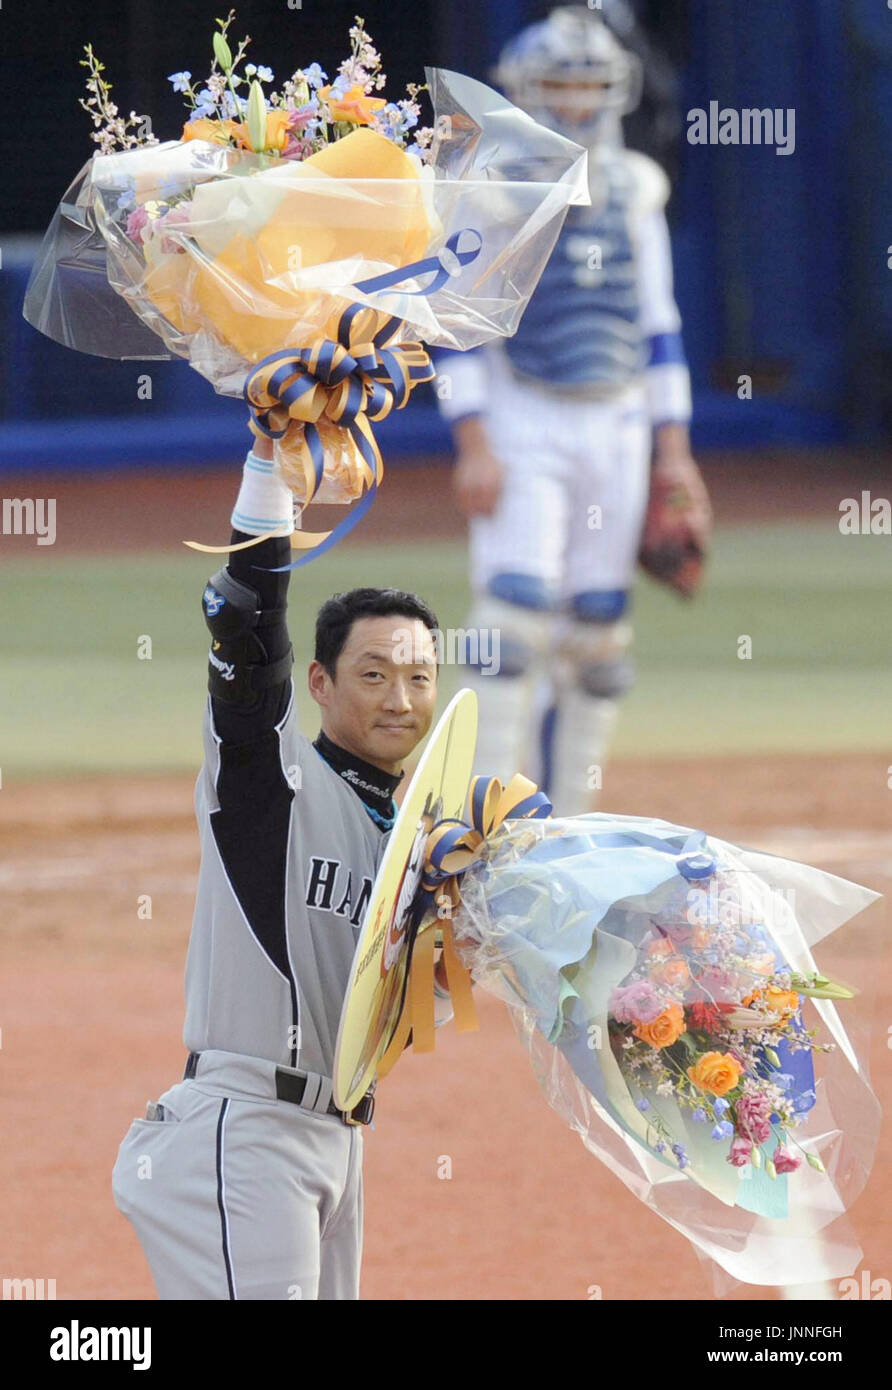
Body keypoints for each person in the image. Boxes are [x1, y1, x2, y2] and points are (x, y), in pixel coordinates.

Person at [112, 434, 441, 1300]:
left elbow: (421, 1000)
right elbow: (246, 625)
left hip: (335, 1144)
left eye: (418, 676)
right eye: (374, 674)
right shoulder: (269, 781)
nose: (400, 698)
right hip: (245, 1131)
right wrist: (270, 460)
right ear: (323, 686)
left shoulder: (420, 844)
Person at [436, 5, 711, 815]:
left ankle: (569, 824)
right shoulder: (491, 194)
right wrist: (474, 443)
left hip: (619, 422)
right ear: (528, 92)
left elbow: (658, 324)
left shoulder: (636, 191)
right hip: (526, 414)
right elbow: (457, 325)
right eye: (560, 86)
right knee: (512, 619)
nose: (577, 104)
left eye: (590, 86)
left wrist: (675, 451)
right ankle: (479, 820)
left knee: (598, 634)